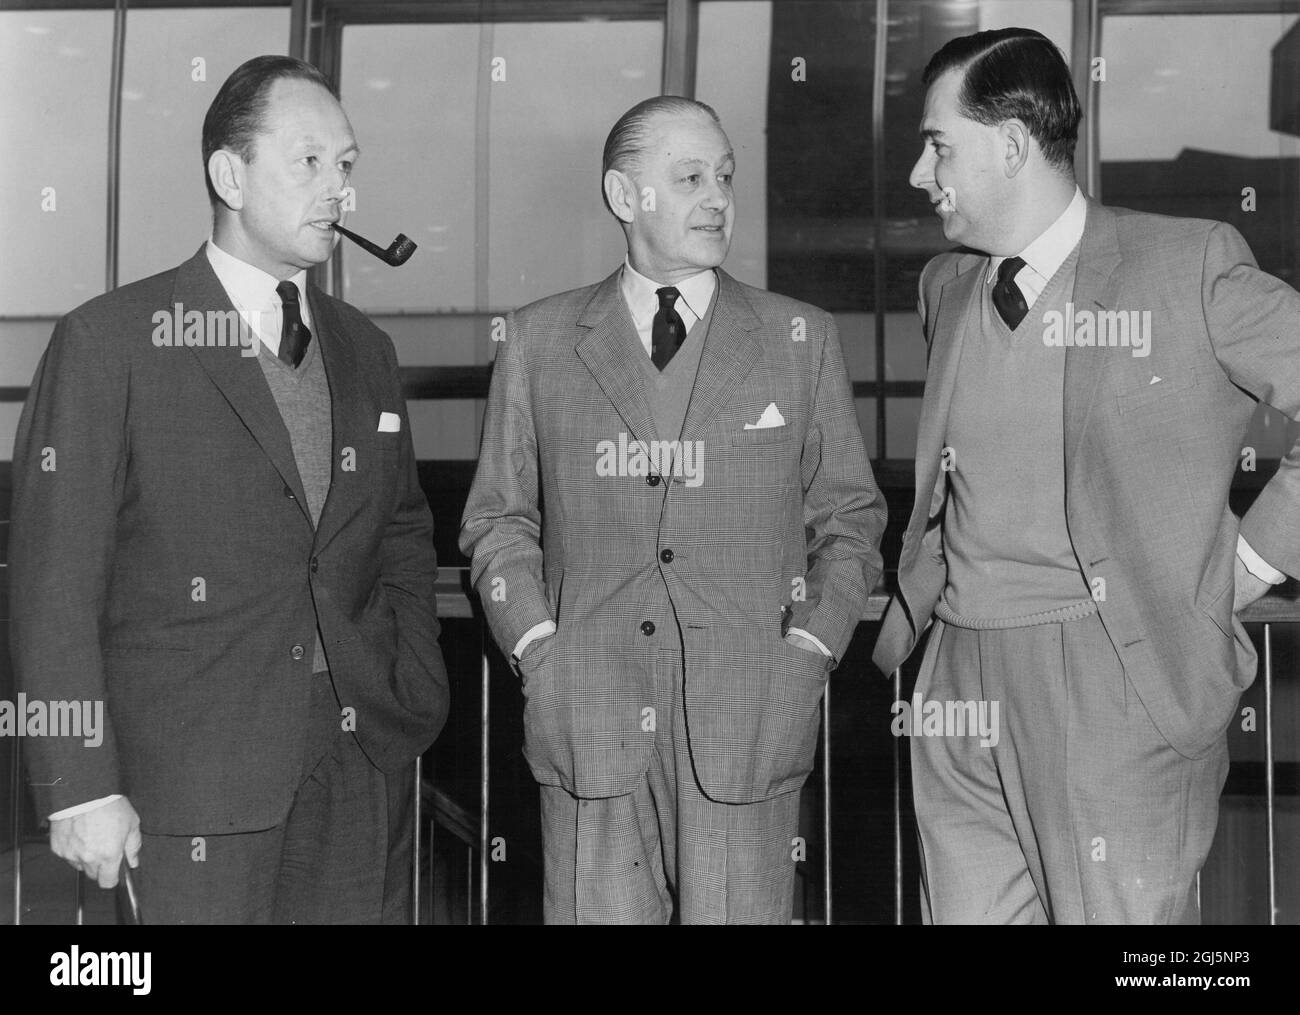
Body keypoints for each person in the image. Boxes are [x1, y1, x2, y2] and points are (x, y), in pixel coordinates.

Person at [873, 28, 1299, 924]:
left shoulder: (1189, 266)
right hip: (955, 678)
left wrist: (1252, 564)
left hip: (1117, 680)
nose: (921, 173)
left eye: (937, 143)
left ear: (1012, 144)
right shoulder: (944, 289)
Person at [10, 55, 449, 924]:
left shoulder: (366, 350)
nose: (340, 192)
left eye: (348, 166)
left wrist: (412, 679)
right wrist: (78, 785)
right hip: (183, 790)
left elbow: (402, 531)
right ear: (229, 174)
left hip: (357, 770)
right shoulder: (110, 343)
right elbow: (54, 579)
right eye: (310, 162)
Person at [460, 95, 885, 924]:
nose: (718, 197)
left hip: (748, 724)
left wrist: (808, 652)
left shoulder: (801, 338)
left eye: (725, 176)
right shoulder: (539, 341)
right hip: (588, 723)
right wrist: (539, 650)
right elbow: (496, 520)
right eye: (689, 176)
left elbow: (850, 519)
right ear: (625, 197)